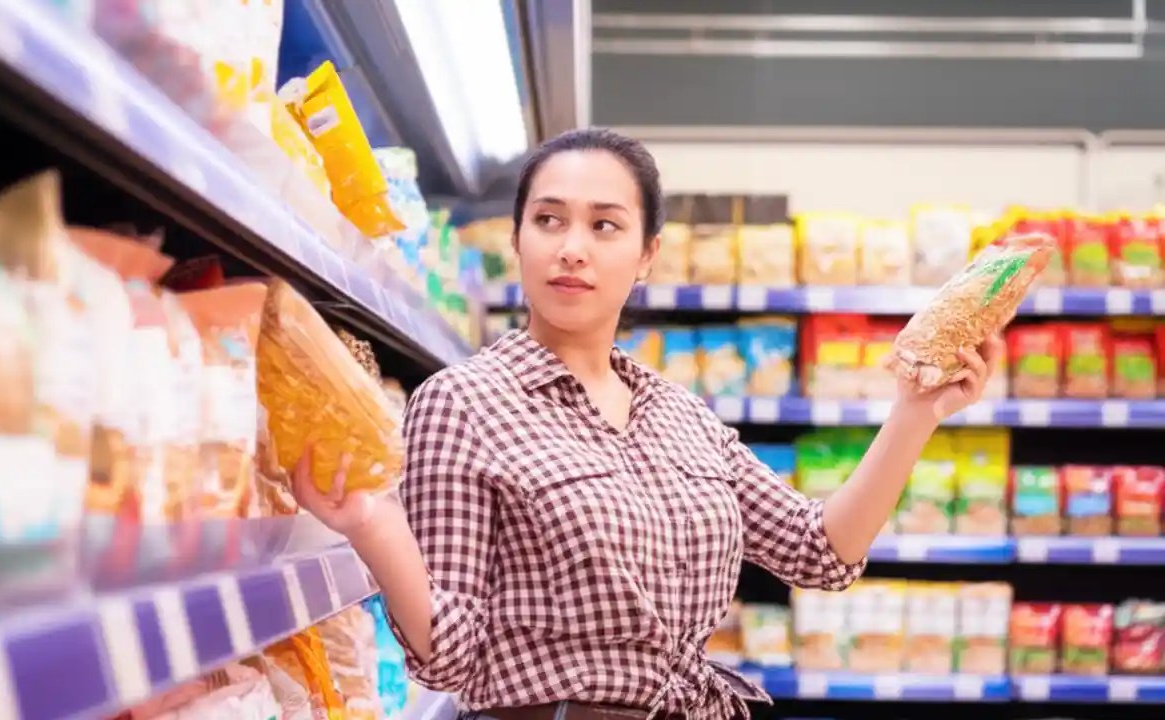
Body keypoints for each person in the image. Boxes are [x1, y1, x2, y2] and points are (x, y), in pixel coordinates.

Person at [294, 128, 1002, 720]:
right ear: (518, 240)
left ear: (647, 255)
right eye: (548, 220)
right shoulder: (463, 403)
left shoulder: (681, 416)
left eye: (604, 224)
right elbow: (450, 655)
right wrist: (373, 526)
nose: (572, 246)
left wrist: (914, 414)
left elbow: (820, 551)